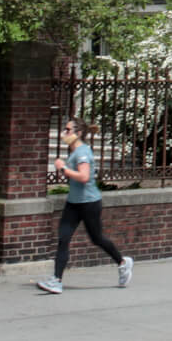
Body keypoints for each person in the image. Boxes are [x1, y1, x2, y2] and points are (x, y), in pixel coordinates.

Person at [36, 117, 134, 294]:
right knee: (63, 239)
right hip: (73, 203)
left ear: (78, 133)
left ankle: (122, 262)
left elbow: (84, 177)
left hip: (89, 203)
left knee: (97, 238)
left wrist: (62, 168)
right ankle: (57, 280)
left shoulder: (82, 152)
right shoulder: (74, 151)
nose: (64, 133)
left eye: (67, 130)